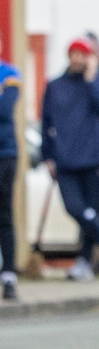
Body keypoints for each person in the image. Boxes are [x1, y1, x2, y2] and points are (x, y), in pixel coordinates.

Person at [40, 38, 99, 281]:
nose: (78, 59)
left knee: (92, 212)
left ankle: (84, 262)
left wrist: (93, 80)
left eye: (83, 54)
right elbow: (46, 123)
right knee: (76, 208)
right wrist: (48, 155)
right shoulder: (55, 86)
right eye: (74, 53)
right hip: (66, 158)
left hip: (95, 157)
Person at [0, 55, 19, 300]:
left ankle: (9, 276)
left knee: (4, 214)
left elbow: (5, 110)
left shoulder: (10, 73)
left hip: (5, 154)